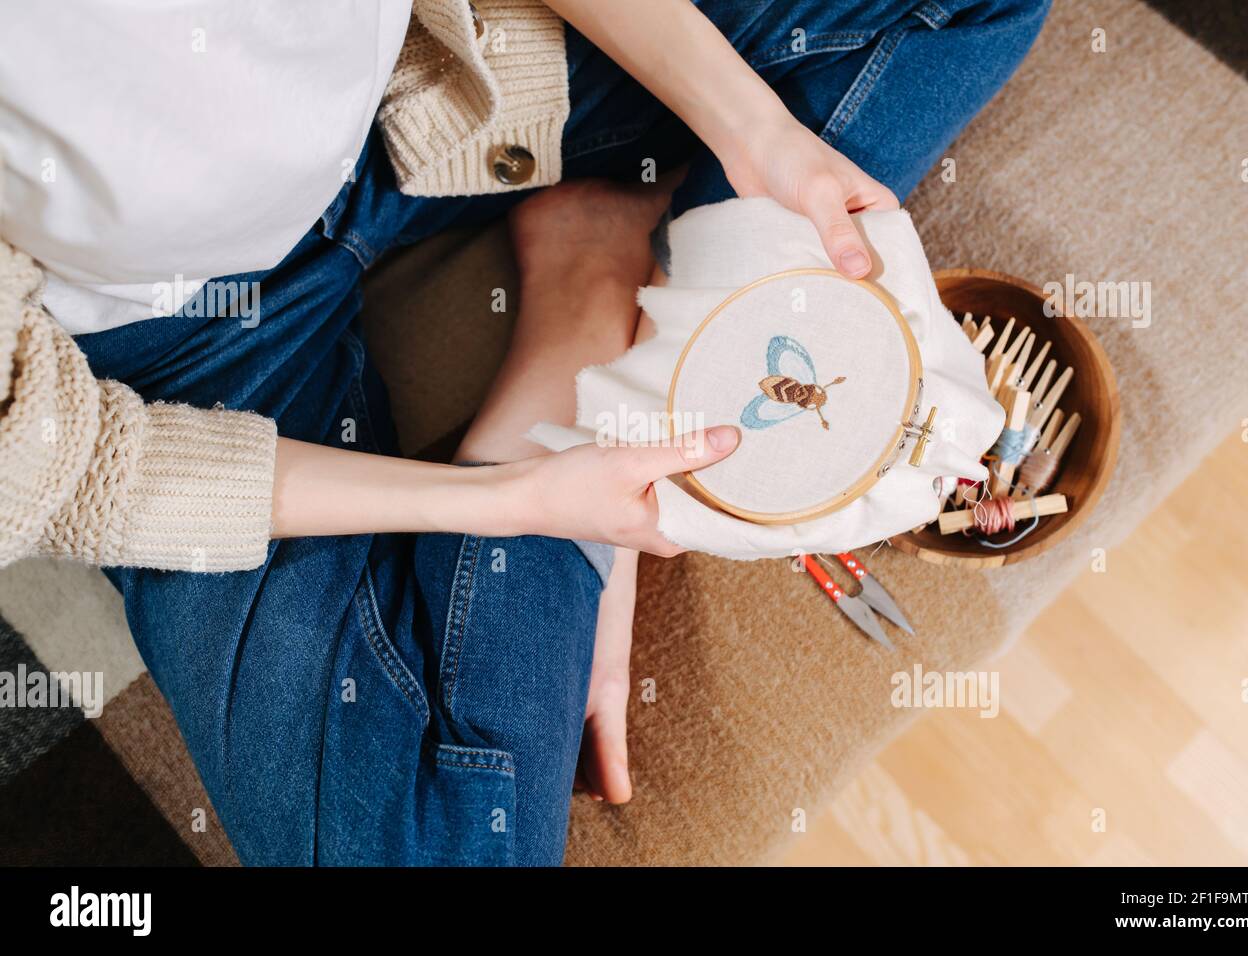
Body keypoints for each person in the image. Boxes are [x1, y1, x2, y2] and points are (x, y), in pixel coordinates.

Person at [0, 0, 1050, 864]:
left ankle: (655, 277)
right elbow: (73, 466)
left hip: (438, 95)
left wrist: (752, 133)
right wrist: (520, 488)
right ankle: (592, 297)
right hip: (178, 348)